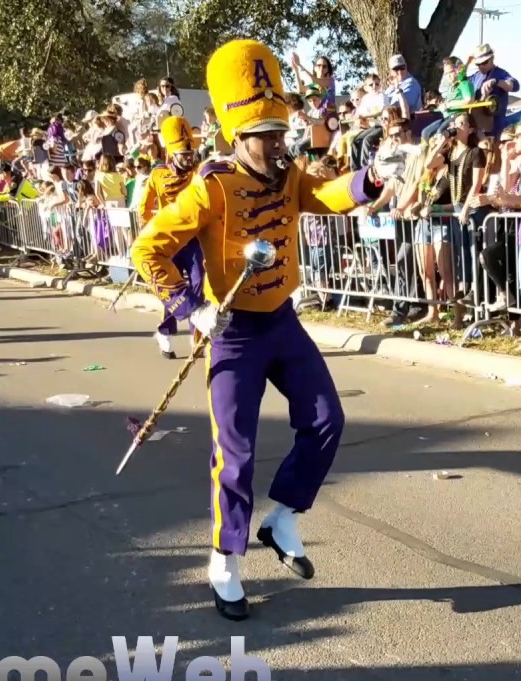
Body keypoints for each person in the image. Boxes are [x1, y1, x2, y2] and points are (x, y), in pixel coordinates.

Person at [129, 38, 386, 621]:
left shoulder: (288, 171)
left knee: (326, 419)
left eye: (280, 132)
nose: (277, 143)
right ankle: (225, 558)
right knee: (236, 453)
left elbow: (323, 194)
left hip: (281, 319)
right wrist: (190, 305)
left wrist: (371, 178)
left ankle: (284, 516)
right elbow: (150, 249)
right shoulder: (211, 186)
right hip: (233, 332)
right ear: (237, 138)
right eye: (265, 135)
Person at [136, 116, 204, 359]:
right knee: (172, 288)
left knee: (198, 284)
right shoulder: (157, 175)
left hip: (194, 239)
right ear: (171, 154)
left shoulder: (198, 172)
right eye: (184, 155)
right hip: (168, 242)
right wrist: (151, 230)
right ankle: (165, 330)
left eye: (191, 154)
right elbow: (144, 208)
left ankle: (197, 335)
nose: (189, 159)